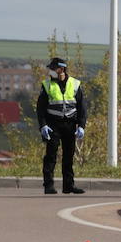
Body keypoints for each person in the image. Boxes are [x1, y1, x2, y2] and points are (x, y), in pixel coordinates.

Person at [36, 57, 87, 195]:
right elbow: (40, 108)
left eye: (53, 68)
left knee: (68, 156)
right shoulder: (47, 85)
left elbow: (82, 107)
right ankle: (48, 186)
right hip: (53, 125)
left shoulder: (75, 84)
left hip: (70, 124)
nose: (50, 71)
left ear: (62, 69)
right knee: (51, 156)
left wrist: (81, 126)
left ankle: (68, 186)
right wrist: (43, 126)